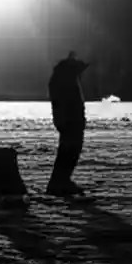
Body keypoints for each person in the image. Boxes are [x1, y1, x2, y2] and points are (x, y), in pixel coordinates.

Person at [47, 50, 90, 196]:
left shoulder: (62, 77)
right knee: (69, 152)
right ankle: (59, 182)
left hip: (69, 120)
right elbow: (67, 102)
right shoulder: (66, 79)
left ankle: (61, 181)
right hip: (70, 120)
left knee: (68, 152)